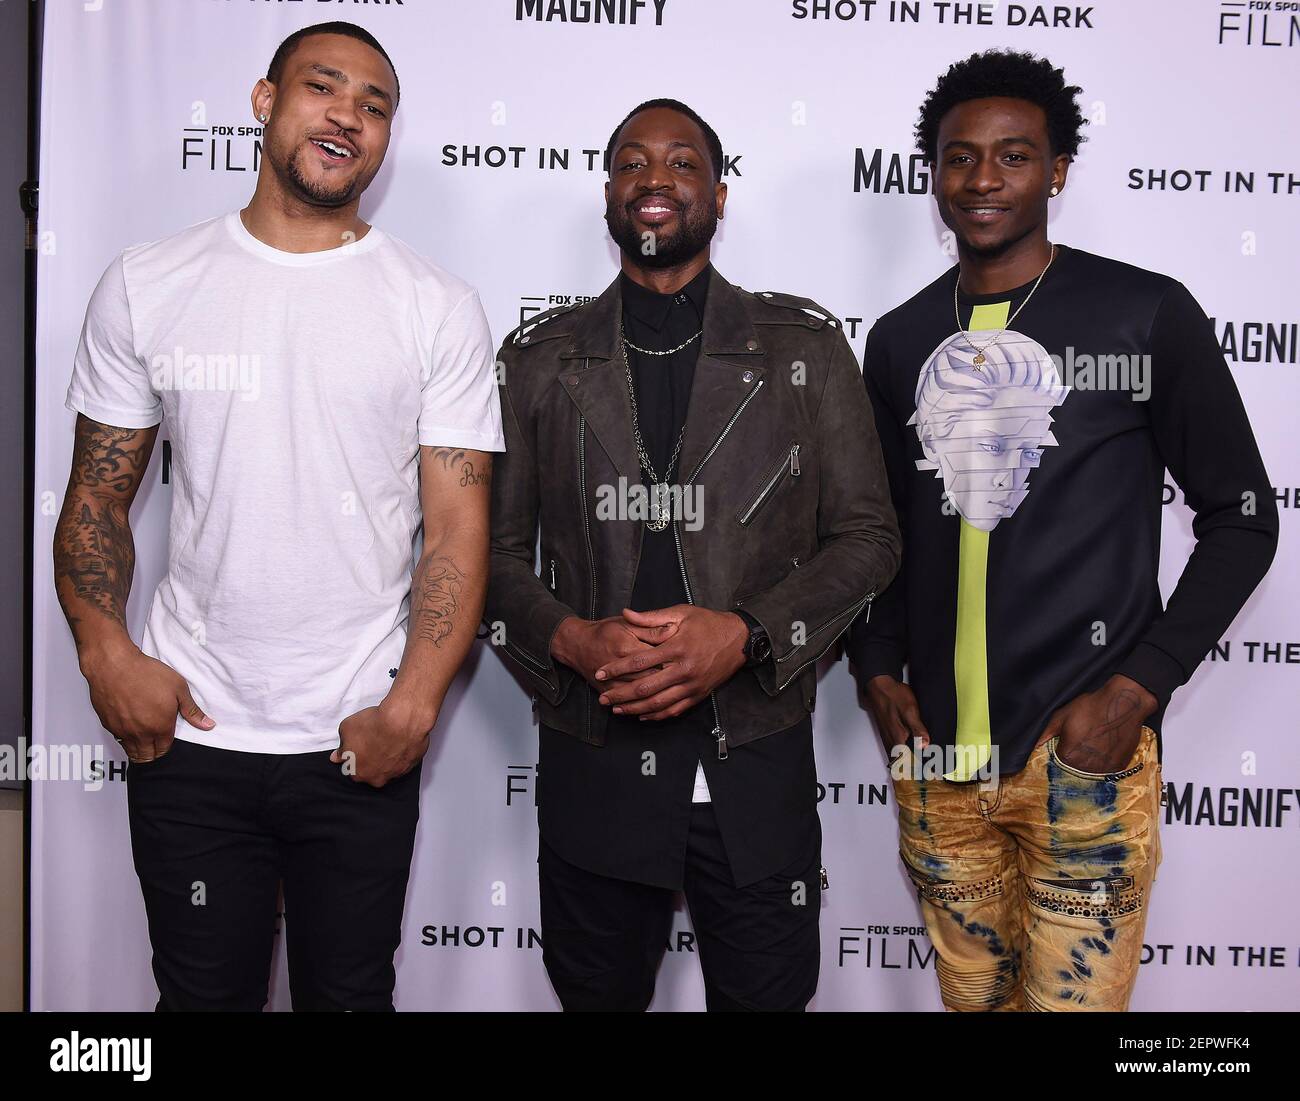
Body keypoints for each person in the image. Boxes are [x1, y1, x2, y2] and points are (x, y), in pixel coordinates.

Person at [53, 21, 504, 1011]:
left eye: (374, 104)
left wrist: (415, 706)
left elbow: (458, 531)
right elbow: (96, 497)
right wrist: (104, 655)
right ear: (266, 102)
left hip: (357, 739)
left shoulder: (435, 305)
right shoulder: (148, 283)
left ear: (385, 138)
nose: (346, 112)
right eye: (322, 87)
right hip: (191, 744)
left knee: (349, 1001)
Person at [848, 49, 1278, 1012]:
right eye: (961, 158)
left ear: (1058, 170)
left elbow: (1244, 521)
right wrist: (875, 667)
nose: (984, 179)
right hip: (938, 766)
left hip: (1083, 758)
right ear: (933, 175)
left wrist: (1137, 689)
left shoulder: (1145, 313)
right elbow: (873, 529)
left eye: (1013, 156)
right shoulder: (901, 336)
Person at [486, 98, 900, 1012]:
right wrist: (571, 641)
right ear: (608, 196)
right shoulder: (541, 361)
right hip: (597, 765)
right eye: (633, 163)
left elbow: (869, 539)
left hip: (754, 766)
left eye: (680, 162)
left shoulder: (804, 349)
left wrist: (745, 633)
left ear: (718, 192)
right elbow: (492, 556)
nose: (655, 180)